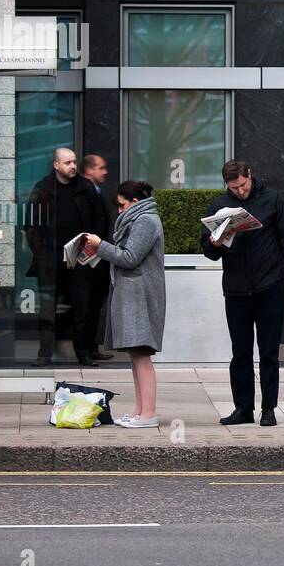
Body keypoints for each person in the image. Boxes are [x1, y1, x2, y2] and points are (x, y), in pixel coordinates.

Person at [202, 160, 284, 428]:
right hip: (236, 291)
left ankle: (268, 408)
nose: (240, 191)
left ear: (250, 175)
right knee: (240, 353)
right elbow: (209, 252)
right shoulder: (219, 206)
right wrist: (215, 242)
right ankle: (243, 408)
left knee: (269, 352)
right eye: (234, 188)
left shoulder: (272, 200)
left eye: (243, 185)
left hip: (270, 288)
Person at [83, 181, 165, 428]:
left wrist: (100, 246)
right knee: (135, 355)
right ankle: (140, 412)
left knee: (141, 354)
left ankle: (148, 414)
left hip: (140, 295)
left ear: (135, 202)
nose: (119, 210)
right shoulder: (139, 218)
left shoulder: (145, 221)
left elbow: (129, 258)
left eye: (122, 205)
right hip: (133, 294)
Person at [26, 147, 106, 367]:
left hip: (80, 258)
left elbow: (99, 219)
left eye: (74, 162)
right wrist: (42, 253)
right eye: (67, 163)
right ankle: (45, 354)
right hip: (50, 260)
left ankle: (84, 353)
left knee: (83, 306)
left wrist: (91, 246)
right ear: (56, 165)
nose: (72, 166)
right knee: (47, 309)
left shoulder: (85, 187)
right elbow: (31, 225)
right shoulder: (42, 189)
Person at [81, 153, 115, 361]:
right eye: (100, 168)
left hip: (97, 259)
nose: (105, 172)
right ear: (90, 170)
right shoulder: (87, 193)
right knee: (88, 307)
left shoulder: (95, 192)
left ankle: (91, 348)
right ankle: (87, 348)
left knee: (93, 307)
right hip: (90, 261)